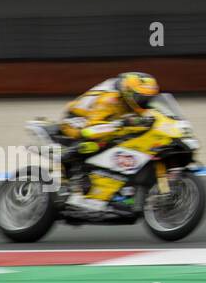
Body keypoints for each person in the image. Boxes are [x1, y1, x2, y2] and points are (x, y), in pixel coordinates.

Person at [60, 72, 161, 211]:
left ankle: (116, 186)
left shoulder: (129, 99)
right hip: (77, 120)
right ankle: (66, 166)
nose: (145, 102)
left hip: (105, 120)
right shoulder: (109, 99)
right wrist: (121, 123)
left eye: (149, 99)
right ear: (129, 93)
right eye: (141, 98)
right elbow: (90, 129)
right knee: (96, 141)